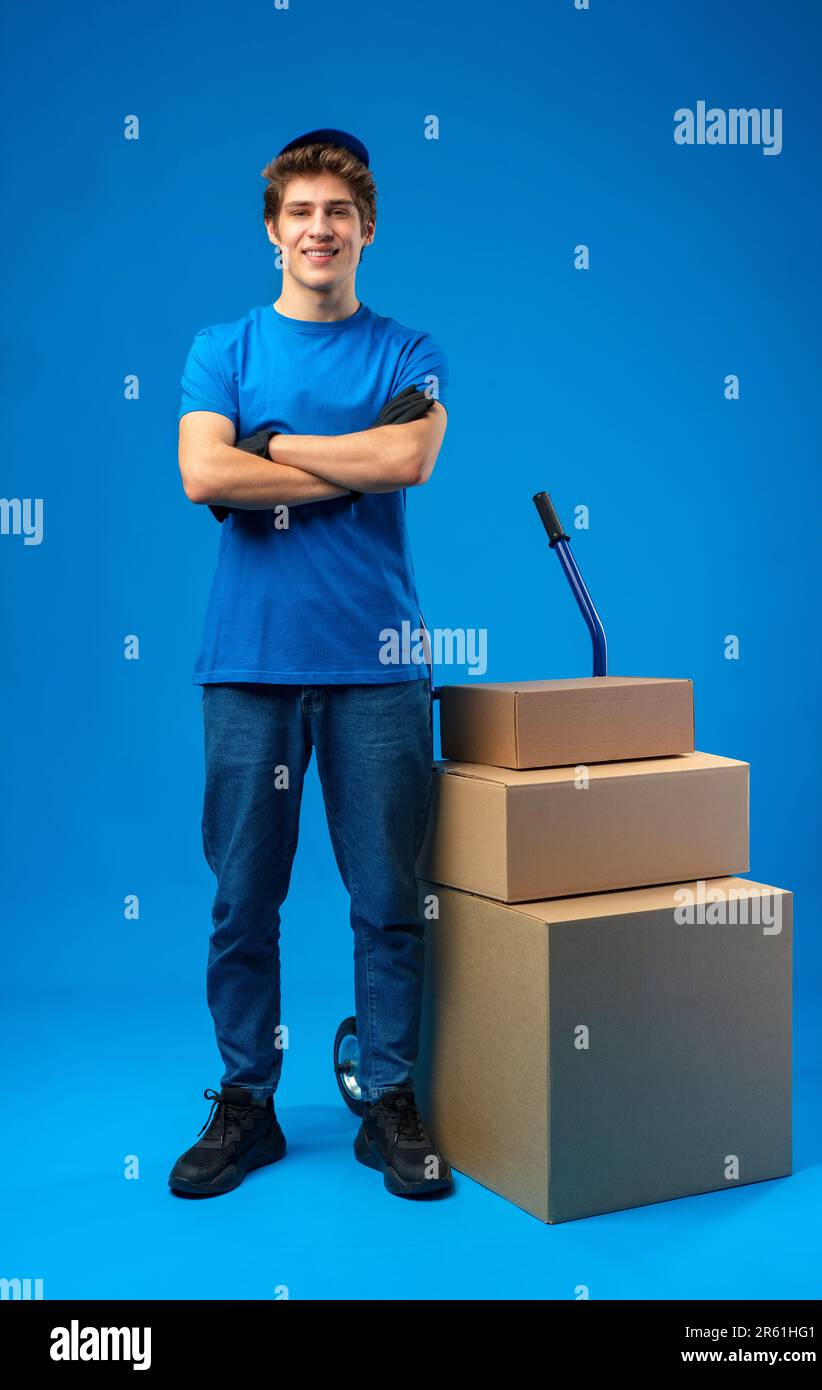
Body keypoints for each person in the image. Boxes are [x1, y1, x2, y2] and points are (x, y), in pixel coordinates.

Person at [168, 128, 452, 1200]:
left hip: (376, 662)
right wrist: (344, 464)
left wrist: (277, 446)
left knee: (388, 894)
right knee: (243, 898)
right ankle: (247, 1102)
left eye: (337, 213)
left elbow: (409, 456)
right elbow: (202, 472)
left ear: (365, 230)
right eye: (300, 213)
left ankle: (388, 1100)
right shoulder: (223, 349)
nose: (318, 229)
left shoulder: (405, 347)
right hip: (247, 660)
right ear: (273, 231)